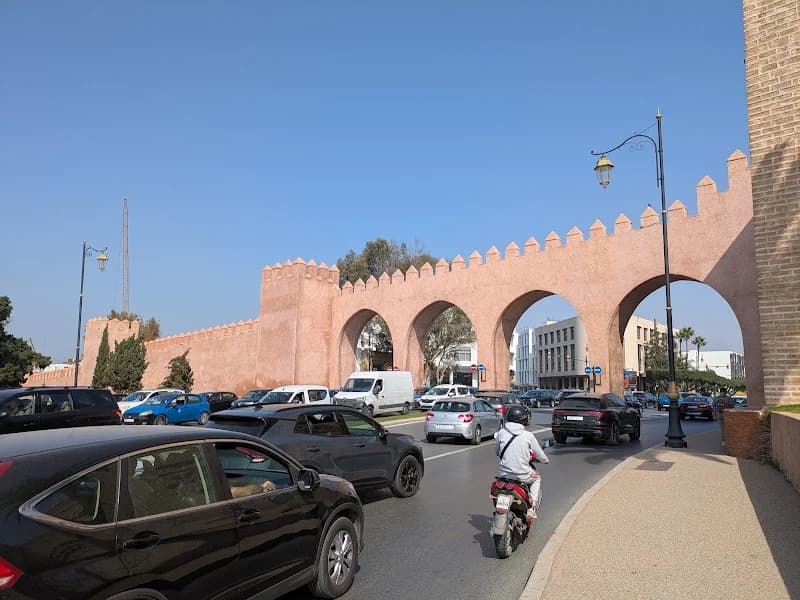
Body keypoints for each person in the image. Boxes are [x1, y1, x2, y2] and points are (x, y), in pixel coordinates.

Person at [494, 405, 550, 519]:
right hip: (522, 475)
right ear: (523, 419)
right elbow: (539, 453)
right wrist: (545, 460)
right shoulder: (528, 435)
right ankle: (532, 507)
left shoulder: (501, 433)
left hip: (504, 475)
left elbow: (497, 451)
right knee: (537, 478)